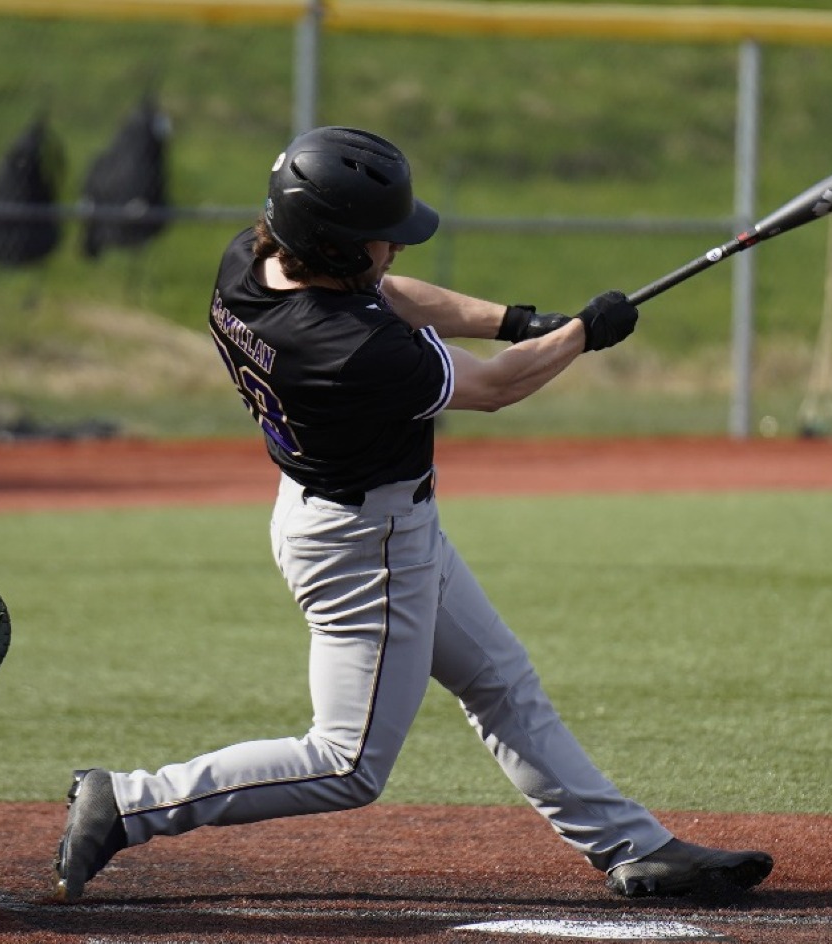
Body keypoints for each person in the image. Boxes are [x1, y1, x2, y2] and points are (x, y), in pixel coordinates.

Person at [54, 127, 773, 903]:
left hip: (351, 517)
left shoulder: (252, 265)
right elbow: (496, 388)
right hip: (367, 546)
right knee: (346, 763)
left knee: (500, 680)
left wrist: (516, 319)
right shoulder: (353, 354)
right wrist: (582, 335)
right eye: (379, 237)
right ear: (332, 246)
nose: (394, 247)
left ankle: (633, 845)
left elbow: (387, 294)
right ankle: (128, 802)